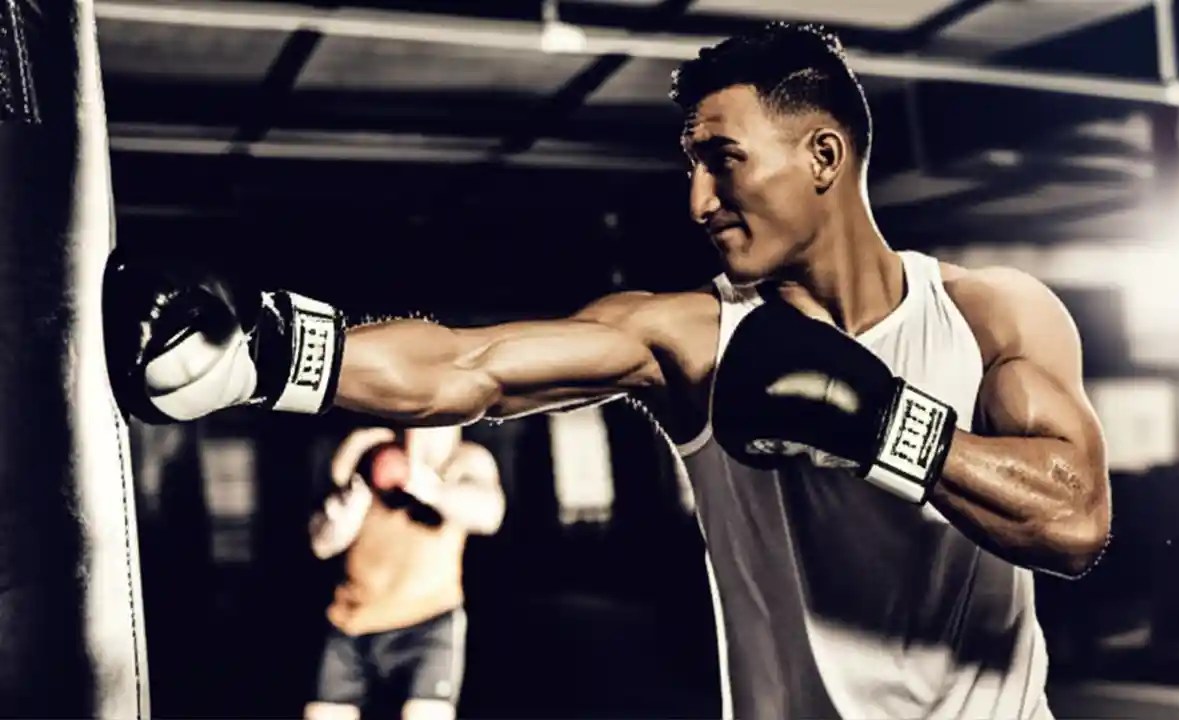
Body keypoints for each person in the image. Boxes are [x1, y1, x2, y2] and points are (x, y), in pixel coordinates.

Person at [104, 22, 1111, 720]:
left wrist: (873, 419)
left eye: (722, 160)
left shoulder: (992, 313)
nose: (697, 200)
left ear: (822, 154)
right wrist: (252, 360)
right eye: (687, 167)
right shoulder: (689, 339)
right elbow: (474, 366)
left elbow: (1072, 524)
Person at [304, 425, 504, 720]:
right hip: (353, 620)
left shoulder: (467, 461)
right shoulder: (366, 449)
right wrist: (345, 512)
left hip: (430, 620)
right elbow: (321, 544)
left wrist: (429, 488)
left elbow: (488, 517)